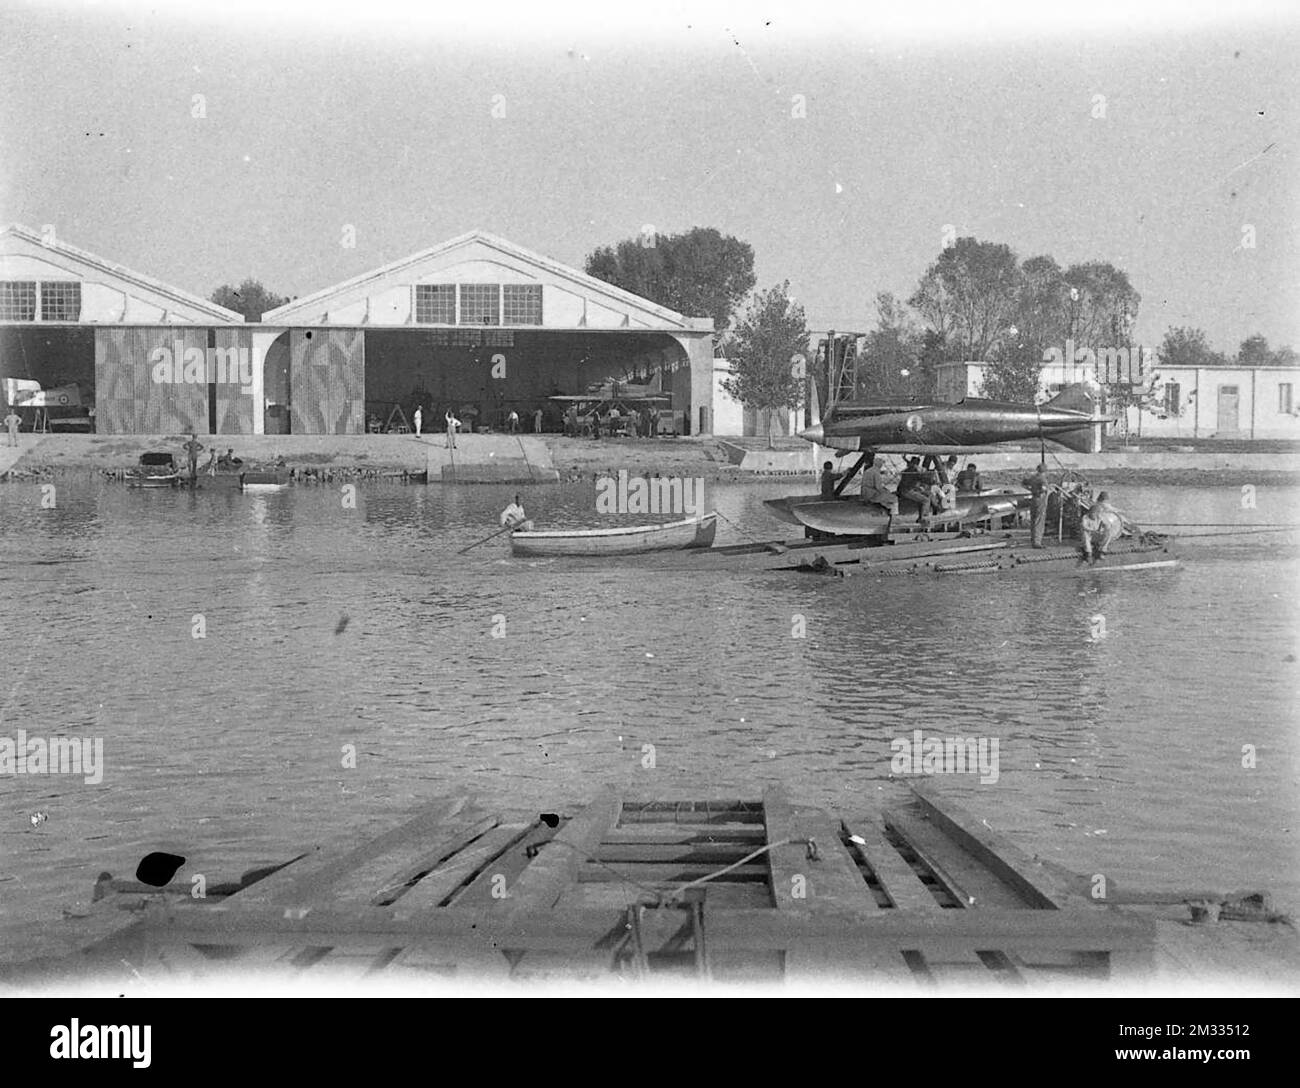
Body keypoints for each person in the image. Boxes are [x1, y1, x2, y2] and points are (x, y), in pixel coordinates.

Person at [1081, 491, 1124, 561]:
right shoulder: (1085, 517)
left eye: (1095, 513)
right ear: (1090, 512)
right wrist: (1092, 530)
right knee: (1085, 535)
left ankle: (1102, 551)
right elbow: (1084, 526)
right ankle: (1088, 553)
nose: (1094, 514)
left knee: (1108, 533)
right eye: (1093, 513)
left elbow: (1107, 524)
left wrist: (1106, 528)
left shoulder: (1099, 516)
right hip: (1090, 536)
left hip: (1097, 534)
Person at [1020, 462, 1050, 548]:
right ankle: (1037, 542)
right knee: (1039, 520)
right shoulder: (1042, 479)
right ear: (1045, 471)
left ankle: (1033, 540)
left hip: (1033, 499)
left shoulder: (1033, 477)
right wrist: (1040, 492)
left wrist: (1031, 490)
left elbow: (1023, 483)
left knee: (1033, 520)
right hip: (1040, 499)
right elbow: (1043, 489)